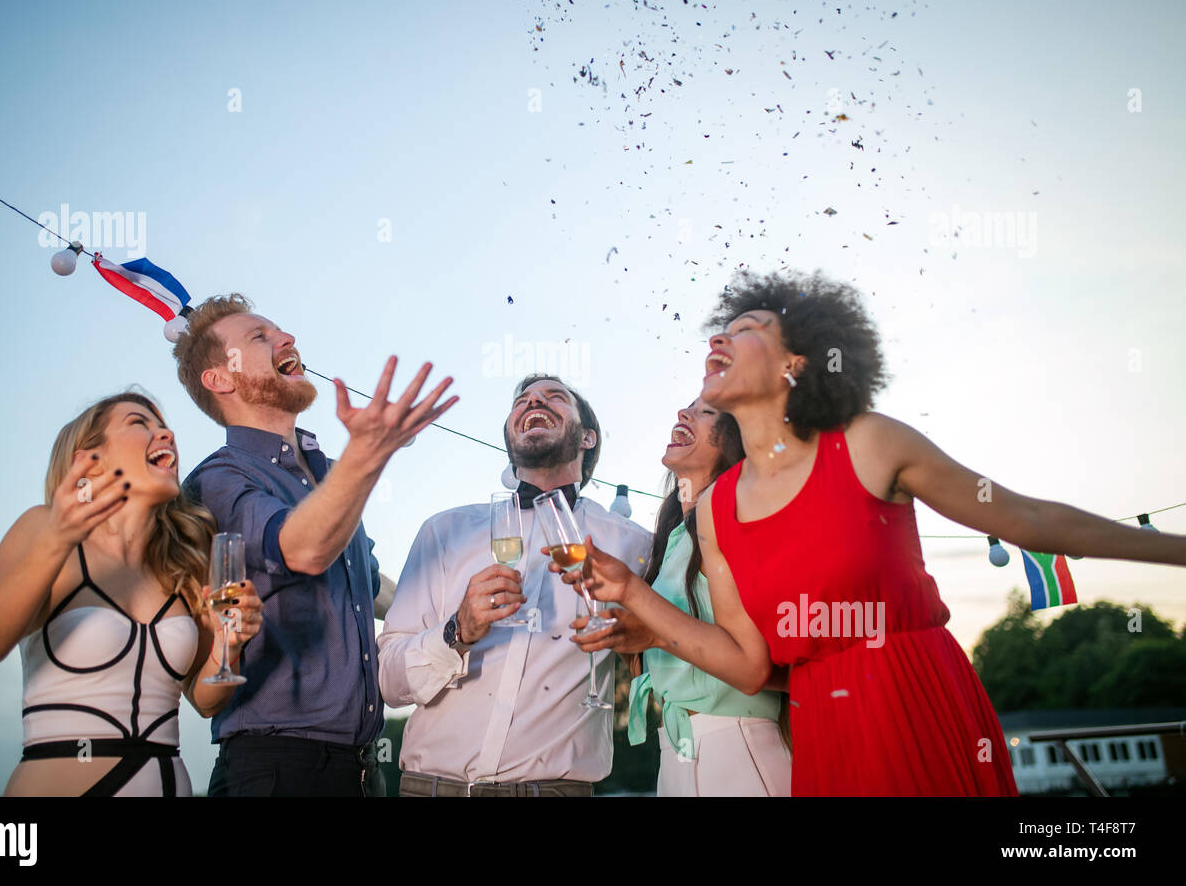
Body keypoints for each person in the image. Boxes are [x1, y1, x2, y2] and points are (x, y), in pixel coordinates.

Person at [565, 269, 1186, 795]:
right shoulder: (718, 510)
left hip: (918, 698)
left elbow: (1030, 520)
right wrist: (628, 590)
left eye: (747, 329)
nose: (719, 339)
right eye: (722, 330)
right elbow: (749, 666)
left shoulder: (866, 442)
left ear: (796, 363)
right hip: (822, 732)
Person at [175, 294, 456, 796]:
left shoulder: (323, 473)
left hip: (363, 770)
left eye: (280, 331)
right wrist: (367, 456)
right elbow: (301, 550)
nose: (287, 339)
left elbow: (369, 587)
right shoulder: (219, 478)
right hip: (275, 770)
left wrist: (455, 622)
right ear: (220, 378)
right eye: (260, 336)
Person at [0, 391, 263, 796]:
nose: (166, 433)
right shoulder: (41, 528)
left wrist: (229, 646)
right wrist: (57, 540)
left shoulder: (182, 562)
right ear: (90, 458)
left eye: (163, 425)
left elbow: (206, 700)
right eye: (140, 423)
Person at [378, 373, 653, 796]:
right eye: (522, 400)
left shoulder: (633, 544)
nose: (533, 401)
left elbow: (666, 655)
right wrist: (457, 631)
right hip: (429, 788)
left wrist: (636, 638)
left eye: (554, 397)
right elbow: (389, 684)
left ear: (588, 438)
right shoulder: (444, 532)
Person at [571, 395, 792, 796]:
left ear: (736, 444)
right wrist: (627, 637)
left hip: (738, 751)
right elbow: (665, 671)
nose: (683, 413)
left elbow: (767, 664)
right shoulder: (671, 540)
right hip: (673, 753)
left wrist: (640, 605)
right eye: (688, 406)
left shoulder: (738, 519)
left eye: (706, 411)